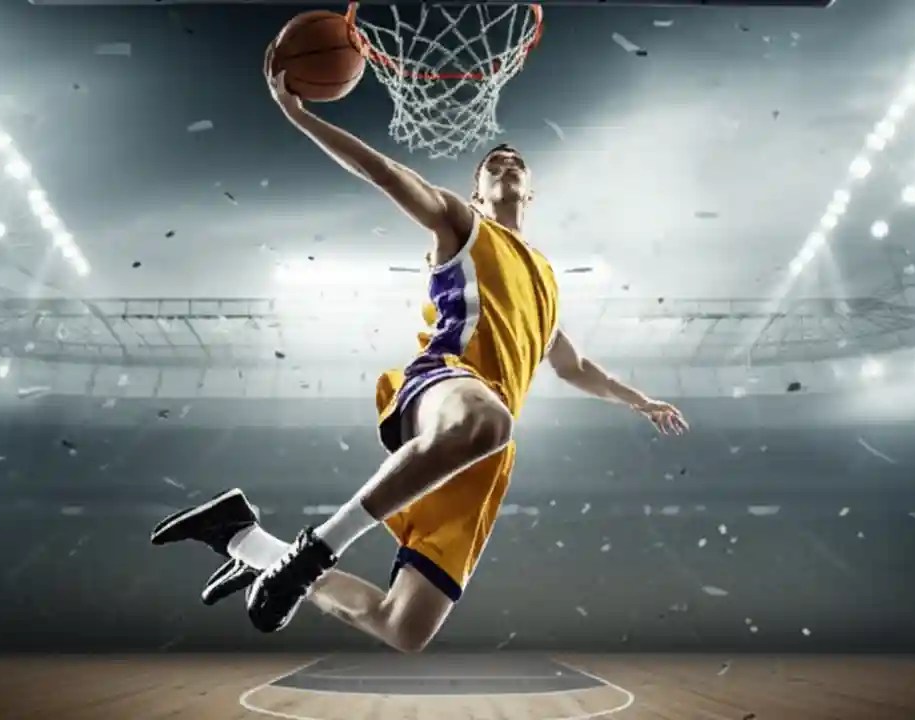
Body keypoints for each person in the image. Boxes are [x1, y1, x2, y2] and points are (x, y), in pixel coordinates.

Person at [150, 45, 689, 654]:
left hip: (483, 448)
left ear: (530, 189)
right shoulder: (463, 225)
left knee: (403, 627)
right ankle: (314, 551)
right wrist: (299, 114)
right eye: (492, 163)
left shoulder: (546, 280)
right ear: (477, 190)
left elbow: (574, 366)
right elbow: (385, 173)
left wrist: (641, 400)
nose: (505, 161)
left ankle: (243, 539)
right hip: (447, 385)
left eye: (515, 160)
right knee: (490, 420)